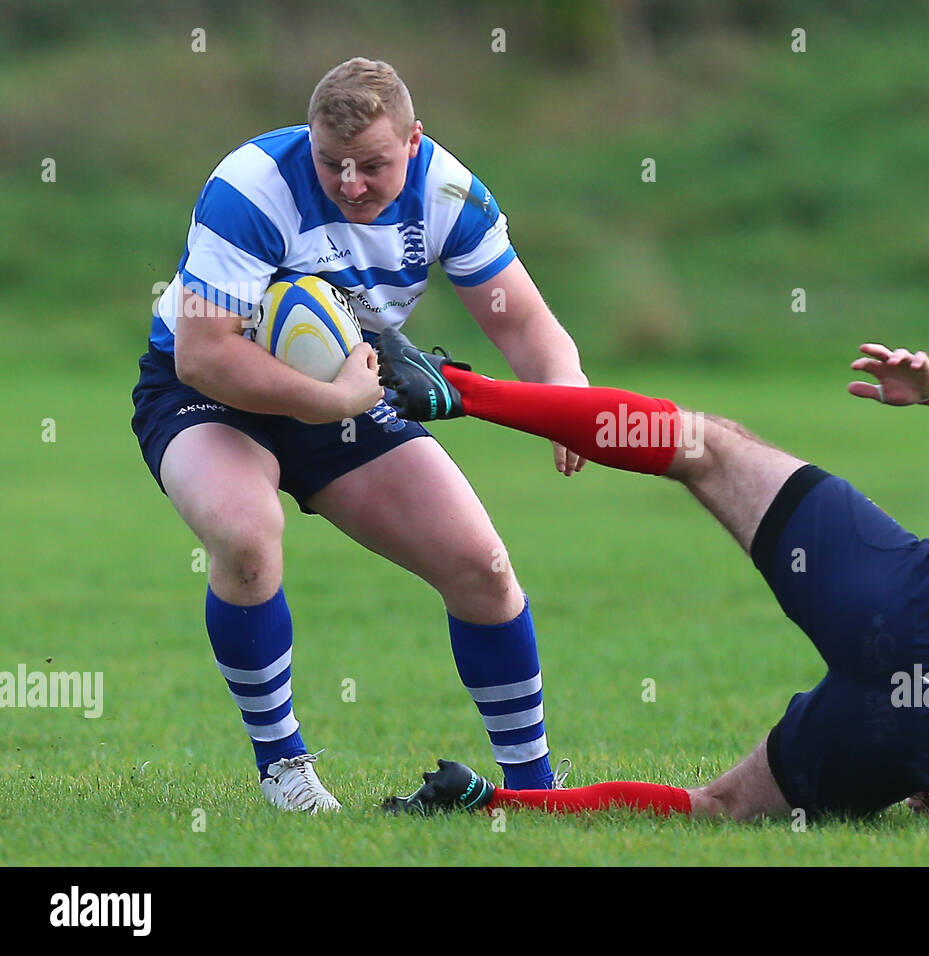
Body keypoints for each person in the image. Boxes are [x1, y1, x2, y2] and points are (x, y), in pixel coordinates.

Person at [376, 333, 929, 821]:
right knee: (722, 808)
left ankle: (459, 390)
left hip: (919, 601)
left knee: (705, 446)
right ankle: (490, 807)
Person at [131, 58, 587, 812]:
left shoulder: (447, 193)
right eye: (331, 163)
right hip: (203, 394)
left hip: (343, 391)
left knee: (483, 564)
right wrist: (325, 398)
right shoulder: (253, 186)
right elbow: (204, 353)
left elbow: (526, 325)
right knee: (246, 535)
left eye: (372, 165)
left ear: (414, 142)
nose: (350, 183)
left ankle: (535, 790)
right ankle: (284, 766)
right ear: (307, 141)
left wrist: (568, 402)